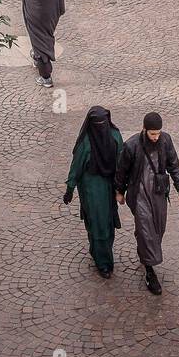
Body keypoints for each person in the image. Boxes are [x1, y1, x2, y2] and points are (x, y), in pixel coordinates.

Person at [114, 111, 179, 295]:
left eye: (158, 133)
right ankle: (149, 270)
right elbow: (121, 171)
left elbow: (174, 165)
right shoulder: (131, 146)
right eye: (152, 133)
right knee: (147, 230)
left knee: (158, 228)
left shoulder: (166, 141)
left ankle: (145, 250)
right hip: (139, 194)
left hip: (159, 193)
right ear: (144, 130)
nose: (156, 137)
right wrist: (119, 191)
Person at [63, 106, 124, 278]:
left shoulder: (114, 137)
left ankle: (100, 253)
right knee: (98, 223)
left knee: (108, 222)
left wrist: (122, 187)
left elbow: (122, 163)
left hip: (109, 185)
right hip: (91, 189)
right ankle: (103, 262)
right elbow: (76, 166)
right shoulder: (86, 143)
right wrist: (70, 188)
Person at [14, 0, 65, 88]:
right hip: (51, 12)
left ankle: (46, 76)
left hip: (35, 13)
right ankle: (39, 59)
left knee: (38, 41)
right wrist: (60, 9)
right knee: (46, 37)